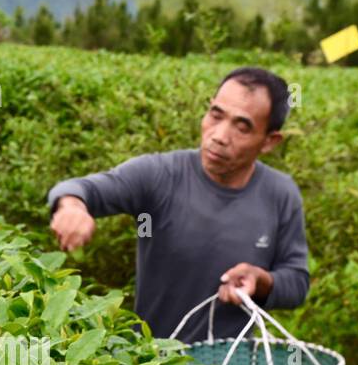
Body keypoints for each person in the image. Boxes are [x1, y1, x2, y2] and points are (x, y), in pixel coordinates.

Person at [47, 67, 309, 344]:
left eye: (242, 127)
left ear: (270, 141)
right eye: (215, 115)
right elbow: (81, 189)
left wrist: (262, 281)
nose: (219, 136)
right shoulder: (161, 174)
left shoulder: (281, 193)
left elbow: (297, 282)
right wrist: (71, 207)